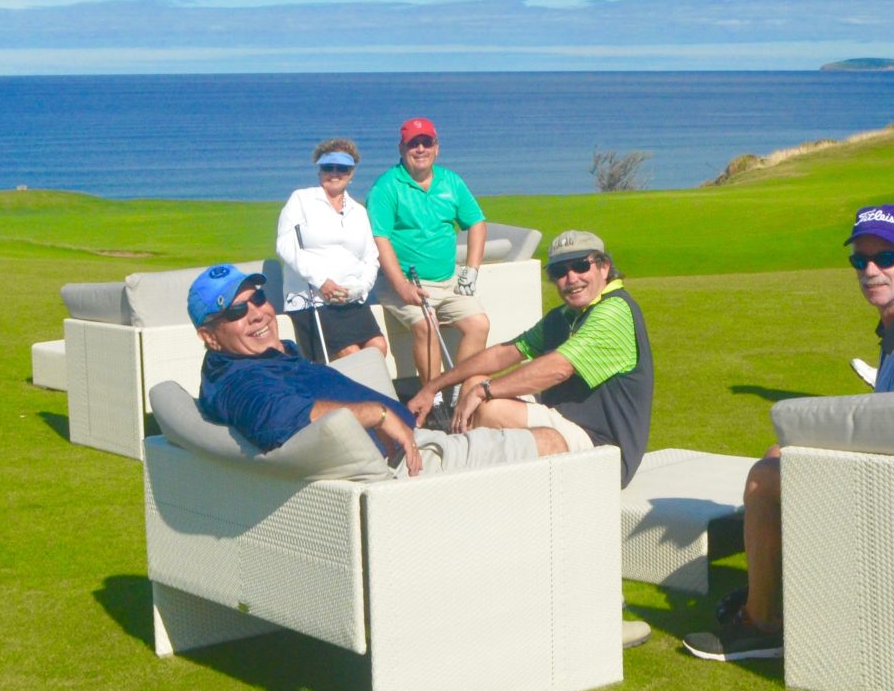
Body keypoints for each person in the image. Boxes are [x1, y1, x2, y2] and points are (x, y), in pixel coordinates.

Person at [187, 263, 652, 647]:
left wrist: (430, 389)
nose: (256, 313)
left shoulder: (252, 363)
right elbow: (278, 416)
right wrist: (373, 412)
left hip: (415, 447)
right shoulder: (242, 383)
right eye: (236, 311)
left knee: (494, 417)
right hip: (416, 468)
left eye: (258, 300)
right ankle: (595, 619)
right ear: (210, 336)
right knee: (563, 455)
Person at [682, 204, 894, 663]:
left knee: (764, 476)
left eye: (886, 258)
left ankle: (764, 625)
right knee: (780, 452)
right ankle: (772, 594)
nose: (871, 270)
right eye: (860, 260)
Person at [403, 230, 654, 489]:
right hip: (567, 419)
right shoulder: (565, 315)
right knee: (473, 382)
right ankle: (470, 468)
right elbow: (506, 352)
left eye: (581, 266)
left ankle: (465, 481)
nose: (572, 278)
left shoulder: (614, 310)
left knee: (490, 407)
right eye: (560, 271)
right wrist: (433, 387)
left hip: (603, 449)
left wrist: (484, 391)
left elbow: (557, 368)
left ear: (604, 267)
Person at [367, 117, 490, 395]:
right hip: (404, 283)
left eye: (427, 143)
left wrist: (471, 270)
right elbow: (380, 239)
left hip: (449, 281)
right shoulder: (386, 186)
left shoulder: (451, 181)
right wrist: (401, 286)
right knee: (426, 327)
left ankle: (461, 390)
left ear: (436, 148)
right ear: (402, 148)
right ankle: (431, 398)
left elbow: (477, 223)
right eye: (414, 144)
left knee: (479, 324)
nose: (420, 149)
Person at [275, 138, 388, 363]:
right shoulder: (301, 199)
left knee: (378, 346)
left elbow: (371, 257)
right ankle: (358, 398)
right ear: (320, 170)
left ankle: (370, 396)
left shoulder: (358, 211)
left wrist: (359, 288)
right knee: (350, 353)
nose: (334, 173)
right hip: (313, 300)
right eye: (328, 167)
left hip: (350, 298)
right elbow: (285, 245)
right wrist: (321, 281)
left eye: (342, 168)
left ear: (351, 172)